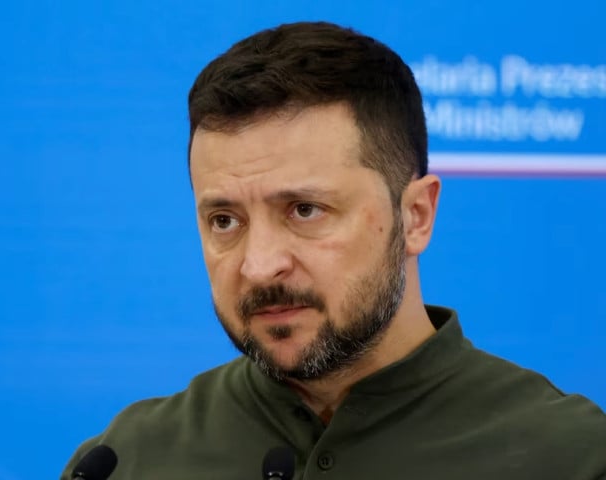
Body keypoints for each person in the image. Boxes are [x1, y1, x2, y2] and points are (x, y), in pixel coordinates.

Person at [61, 21, 606, 479]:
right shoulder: (125, 459)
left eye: (304, 210)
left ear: (415, 215)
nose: (259, 264)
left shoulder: (572, 456)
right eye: (225, 220)